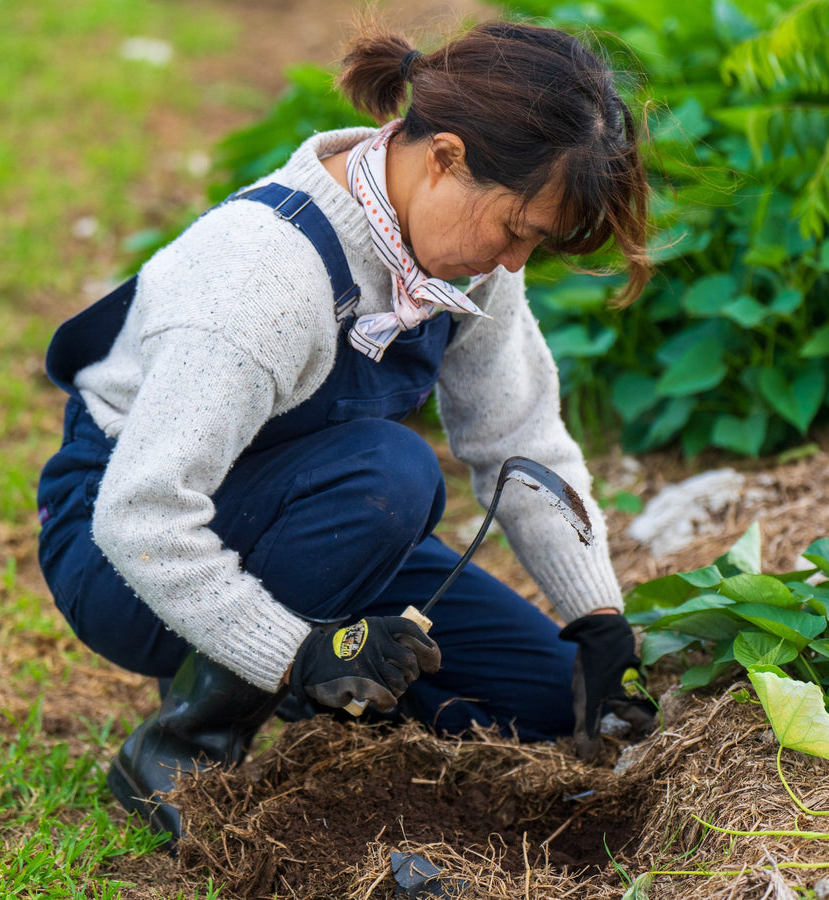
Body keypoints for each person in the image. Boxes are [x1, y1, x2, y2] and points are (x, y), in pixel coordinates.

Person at [36, 19, 654, 849]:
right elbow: (138, 513)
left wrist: (599, 620)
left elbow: (522, 439)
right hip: (123, 555)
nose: (513, 263)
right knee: (393, 473)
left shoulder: (456, 260)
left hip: (313, 529)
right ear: (446, 159)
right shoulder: (267, 274)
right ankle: (184, 741)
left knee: (542, 702)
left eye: (532, 245)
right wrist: (297, 650)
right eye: (517, 230)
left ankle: (309, 667)